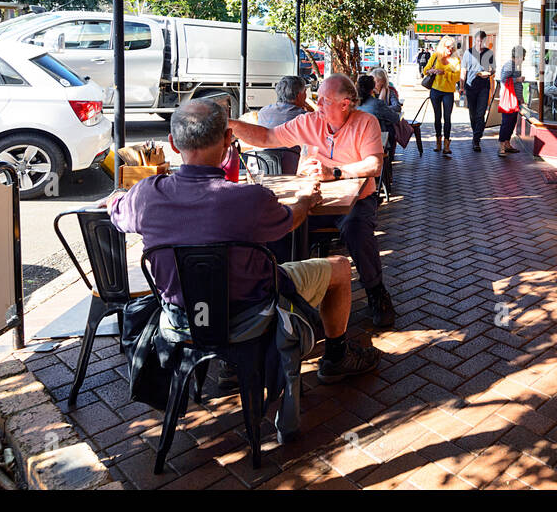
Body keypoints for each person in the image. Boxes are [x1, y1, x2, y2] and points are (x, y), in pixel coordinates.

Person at [107, 99, 379, 417]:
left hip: (180, 319)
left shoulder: (145, 195)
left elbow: (115, 212)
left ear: (172, 144)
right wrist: (306, 200)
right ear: (227, 140)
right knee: (340, 268)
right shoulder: (249, 199)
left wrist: (116, 200)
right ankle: (335, 357)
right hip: (251, 315)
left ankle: (230, 365)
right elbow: (289, 221)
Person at [229, 74, 397, 328]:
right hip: (314, 197)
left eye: (323, 101)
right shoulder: (309, 122)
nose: (316, 105)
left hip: (356, 198)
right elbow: (266, 138)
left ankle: (376, 292)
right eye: (317, 98)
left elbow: (374, 164)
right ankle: (284, 296)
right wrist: (230, 125)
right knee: (281, 226)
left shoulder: (366, 122)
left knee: (356, 229)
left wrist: (335, 172)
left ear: (345, 103)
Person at [422, 34, 461, 158]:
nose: (450, 50)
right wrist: (431, 71)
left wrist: (445, 73)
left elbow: (456, 77)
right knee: (437, 116)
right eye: (448, 47)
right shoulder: (435, 57)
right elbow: (425, 70)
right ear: (442, 47)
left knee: (447, 117)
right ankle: (438, 142)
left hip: (448, 91)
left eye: (452, 48)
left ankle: (447, 144)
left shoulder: (455, 60)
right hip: (435, 90)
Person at [462, 29, 494, 152]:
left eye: (481, 41)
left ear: (484, 41)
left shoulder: (489, 53)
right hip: (470, 87)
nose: (479, 44)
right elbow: (463, 70)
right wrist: (461, 86)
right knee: (473, 114)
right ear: (474, 40)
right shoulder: (468, 53)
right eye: (477, 41)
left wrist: (489, 73)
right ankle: (476, 134)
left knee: (481, 114)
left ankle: (476, 140)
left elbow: (493, 69)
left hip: (484, 87)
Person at [497, 46, 524, 157]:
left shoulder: (515, 66)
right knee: (507, 122)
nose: (523, 59)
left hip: (514, 98)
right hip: (509, 99)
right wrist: (517, 79)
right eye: (523, 57)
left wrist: (520, 97)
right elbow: (503, 79)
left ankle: (507, 144)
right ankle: (502, 146)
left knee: (512, 122)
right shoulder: (510, 65)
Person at [356, 72, 399, 141]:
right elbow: (396, 118)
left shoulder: (352, 104)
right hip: (375, 140)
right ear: (372, 89)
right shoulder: (377, 104)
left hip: (356, 138)